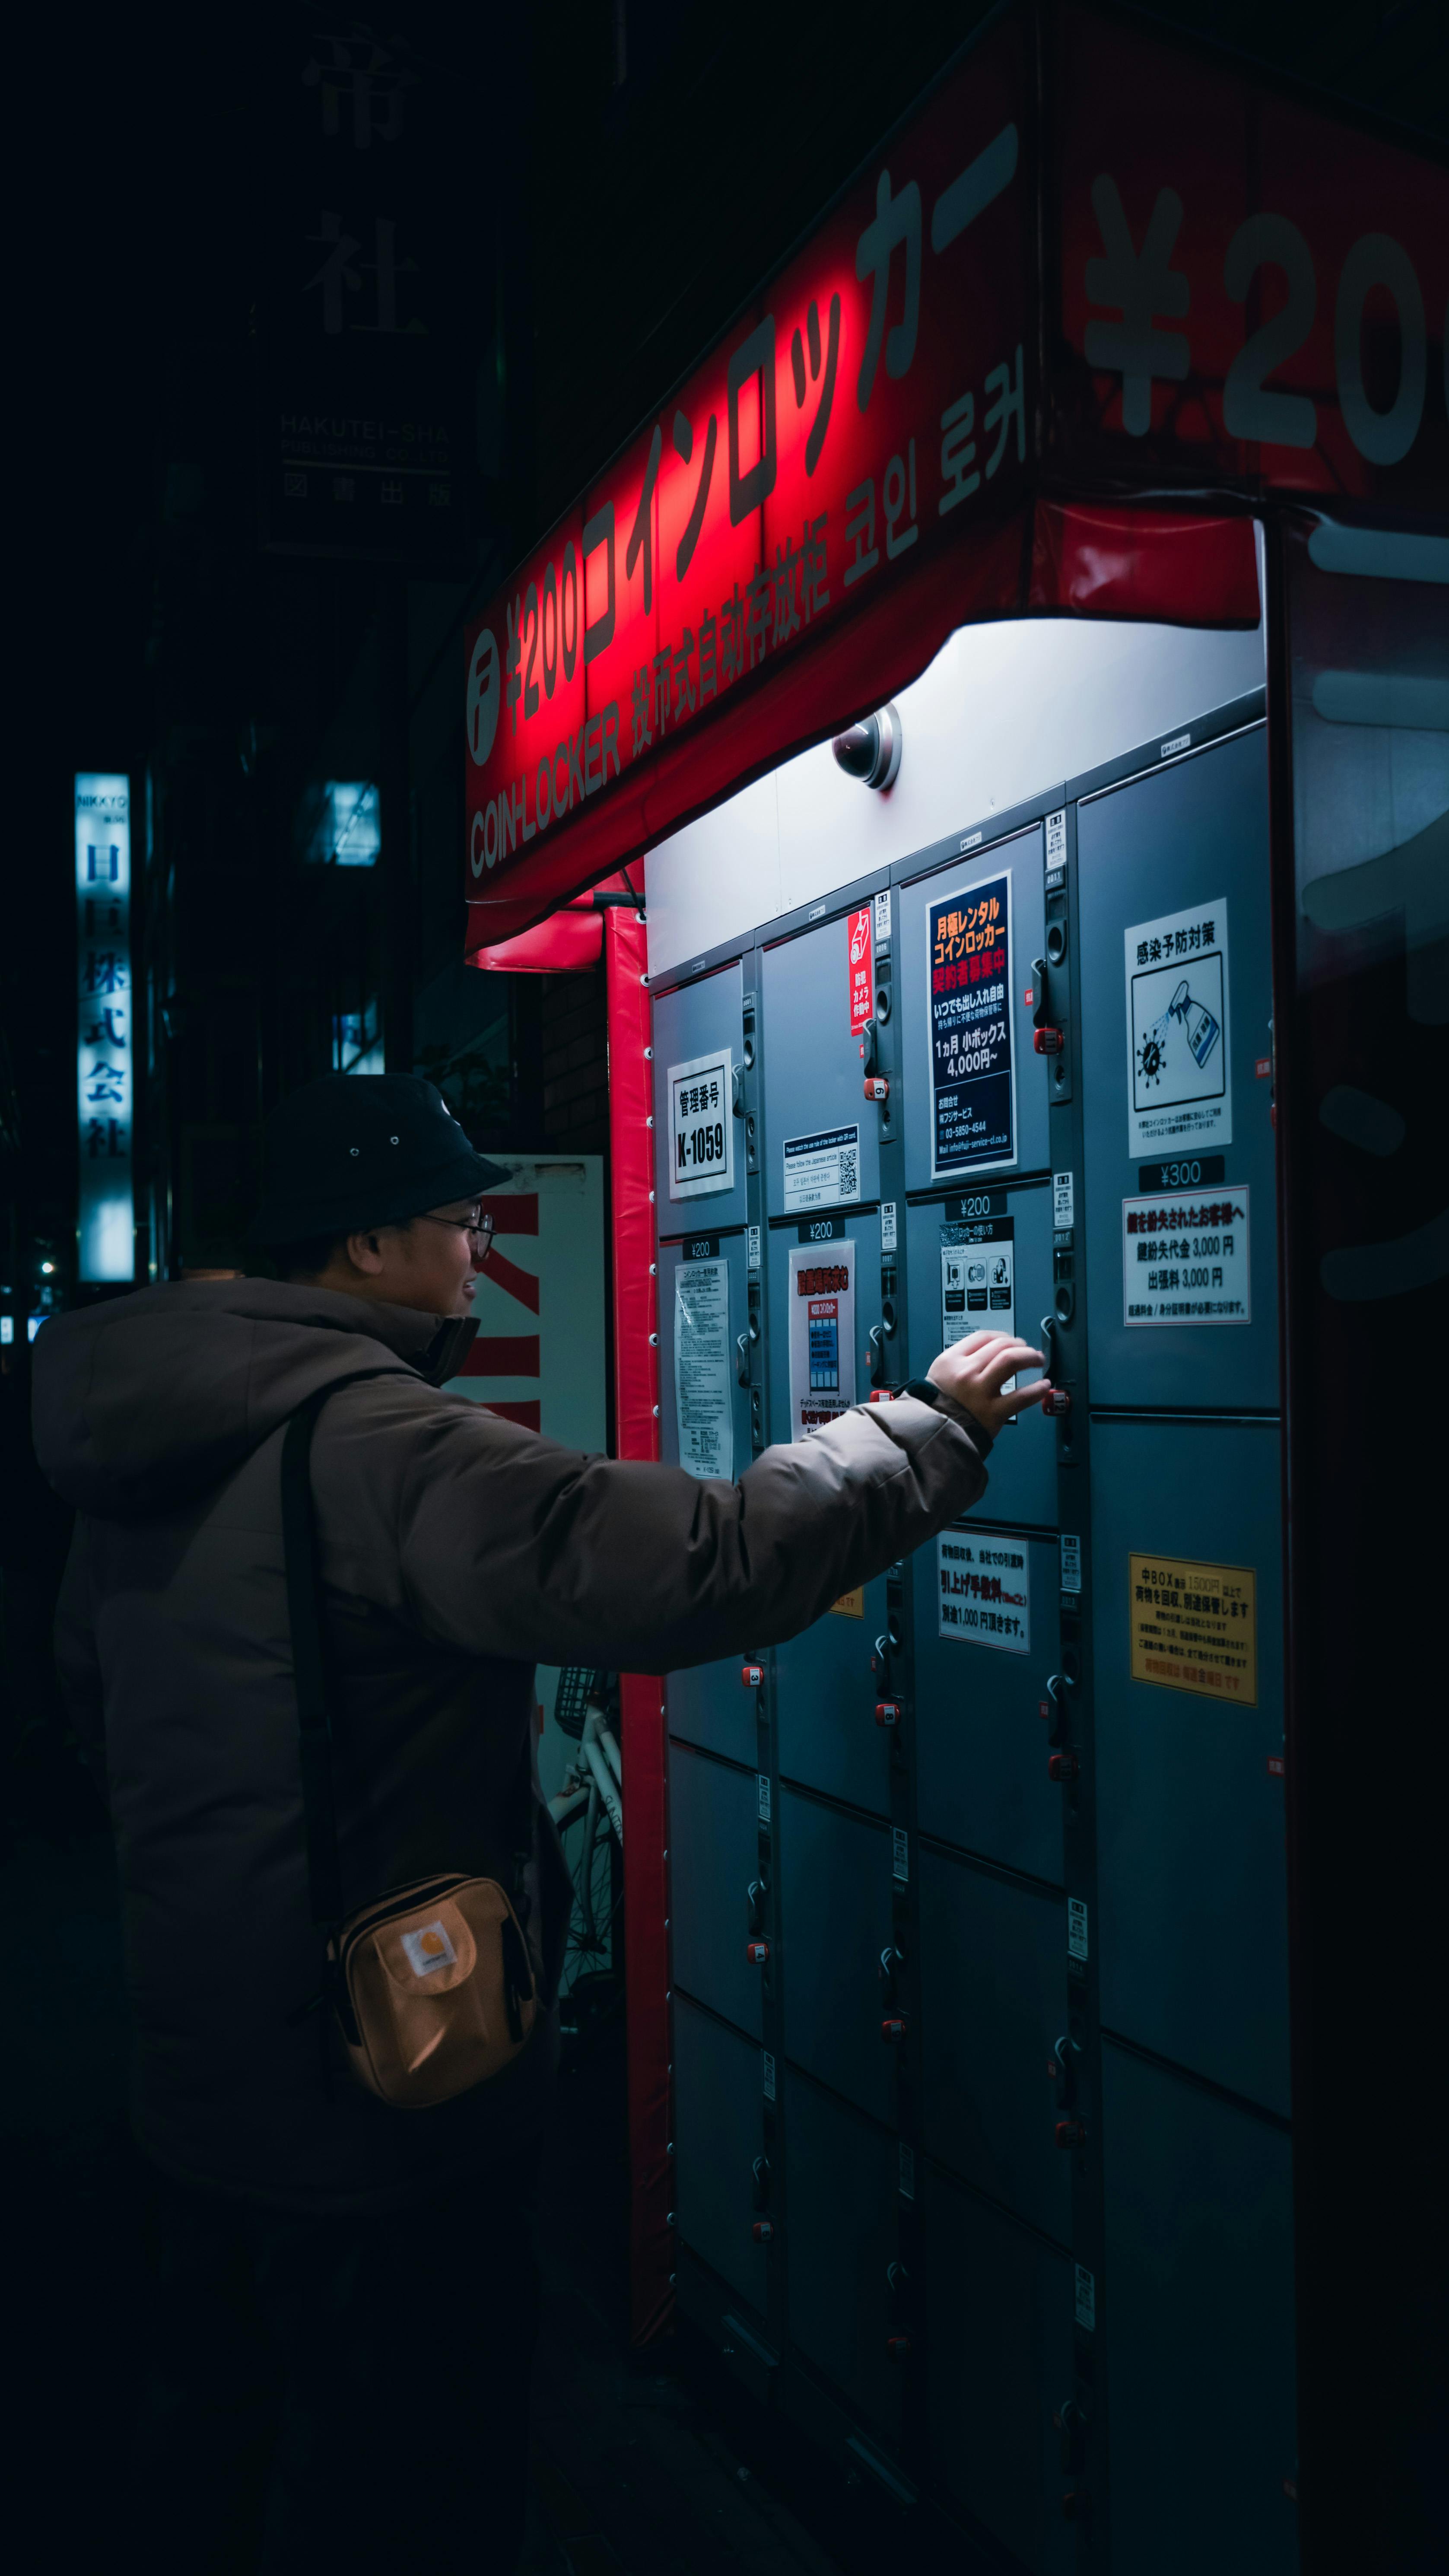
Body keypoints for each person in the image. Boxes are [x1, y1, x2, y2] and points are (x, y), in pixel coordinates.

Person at [31, 1072, 1046, 2575]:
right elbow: (693, 1564)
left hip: (201, 2067)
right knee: (409, 2477)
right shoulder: (378, 1442)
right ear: (367, 1246)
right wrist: (912, 1434)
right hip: (383, 2088)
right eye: (457, 1220)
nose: (476, 1251)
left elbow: (86, 1715)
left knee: (219, 2447)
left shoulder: (141, 1447)